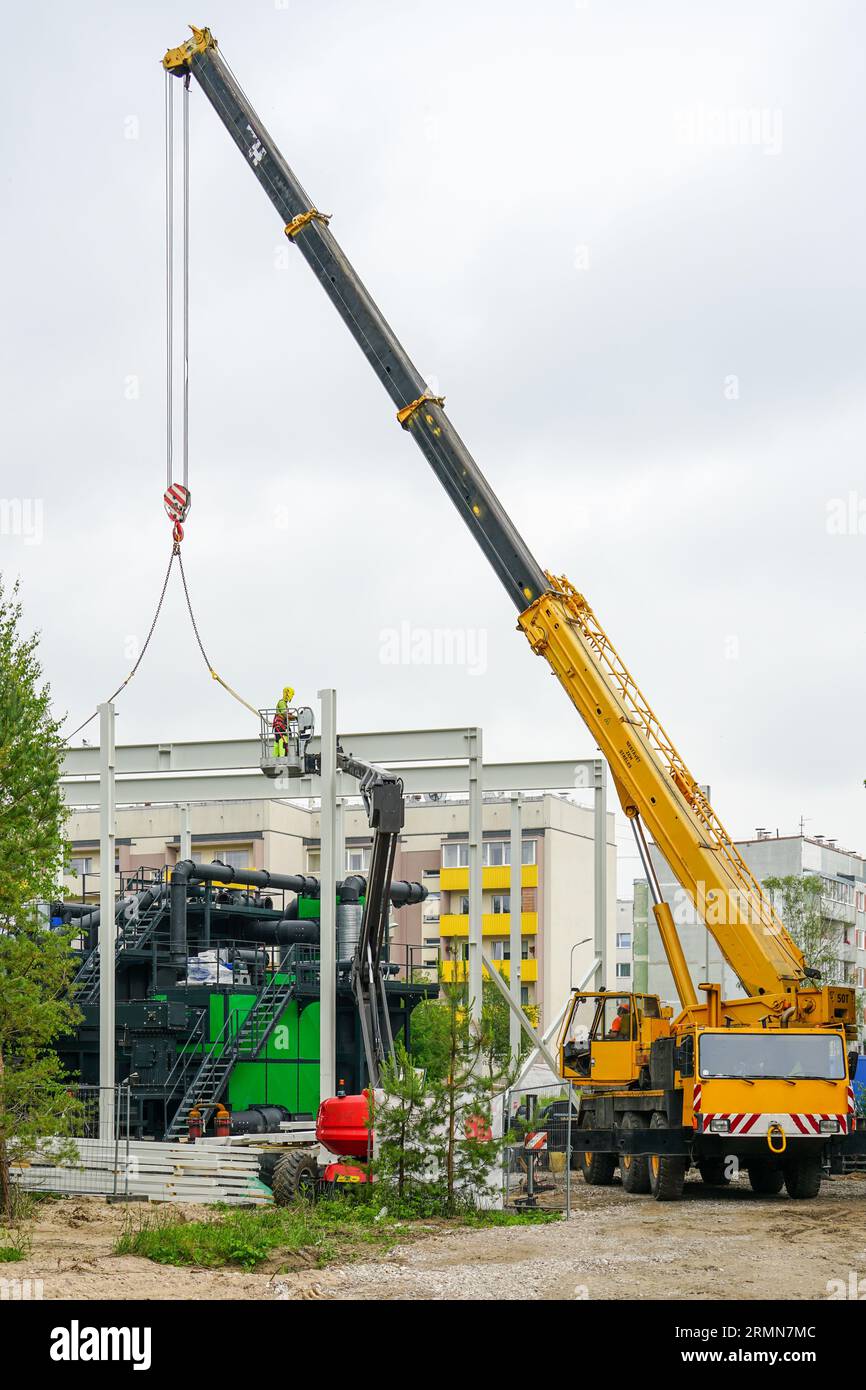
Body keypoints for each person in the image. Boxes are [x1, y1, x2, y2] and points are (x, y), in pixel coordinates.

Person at [272, 685, 295, 757]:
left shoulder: (284, 704)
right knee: (283, 741)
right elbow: (285, 714)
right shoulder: (282, 703)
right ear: (287, 693)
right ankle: (282, 758)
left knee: (278, 742)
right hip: (280, 726)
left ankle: (276, 757)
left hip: (280, 726)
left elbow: (286, 715)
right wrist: (296, 717)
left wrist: (293, 717)